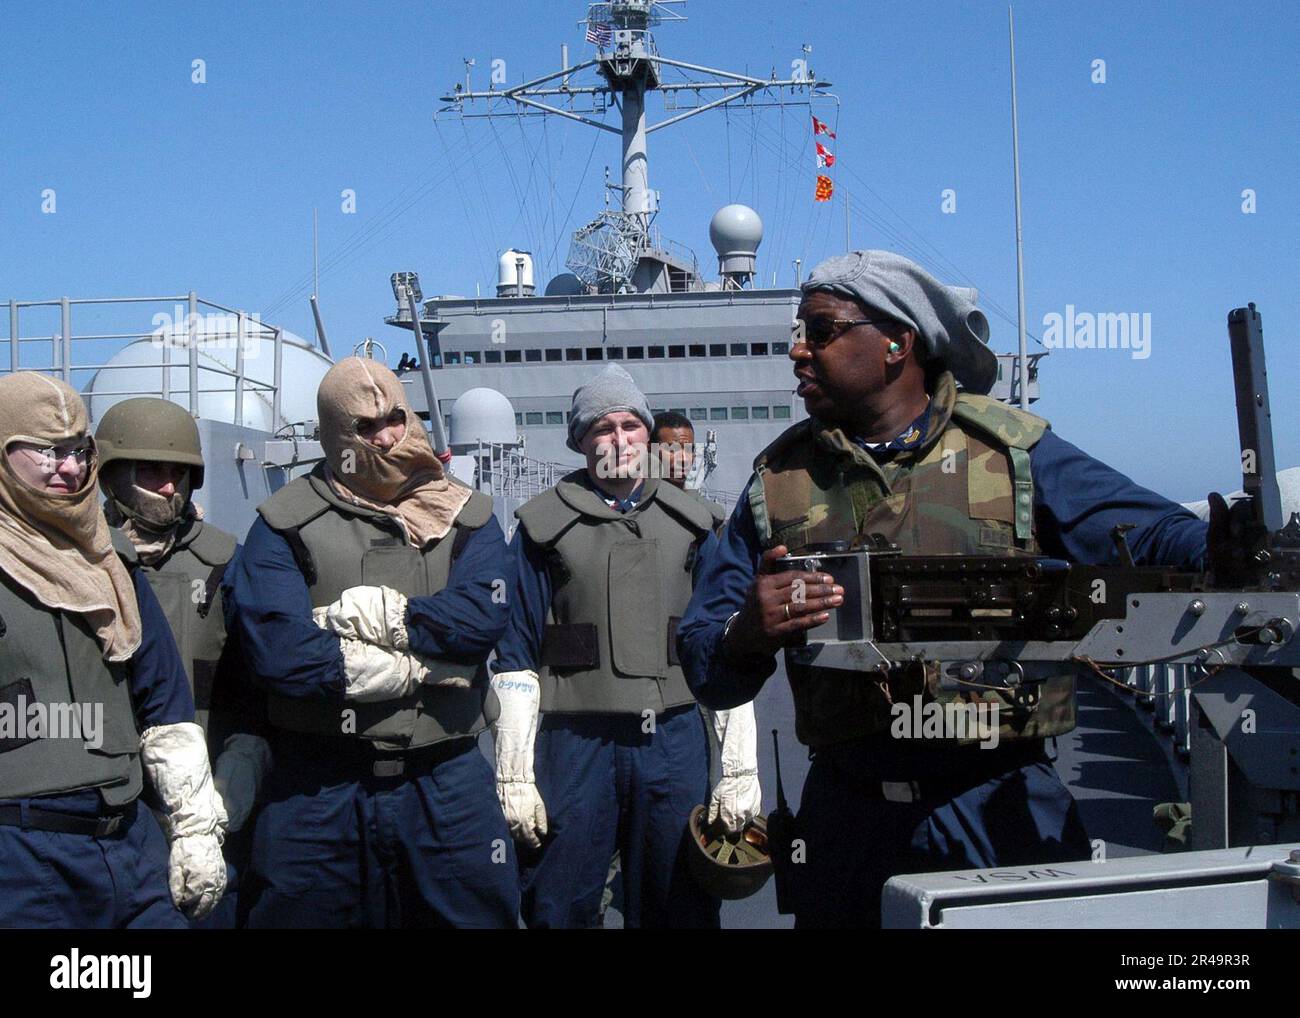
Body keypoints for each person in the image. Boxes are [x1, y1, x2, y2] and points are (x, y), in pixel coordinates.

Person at [677, 250, 1210, 928]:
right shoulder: (776, 482)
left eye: (821, 330)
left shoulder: (1014, 455)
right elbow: (704, 663)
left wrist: (1232, 547)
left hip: (997, 804)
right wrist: (747, 630)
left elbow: (1155, 534)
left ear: (899, 342)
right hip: (847, 819)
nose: (797, 351)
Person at [225, 356, 518, 928]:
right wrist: (425, 668)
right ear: (336, 435)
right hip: (318, 785)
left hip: (446, 778)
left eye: (396, 418)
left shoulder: (465, 514)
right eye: (366, 427)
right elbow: (283, 656)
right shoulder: (283, 523)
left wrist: (384, 616)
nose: (387, 437)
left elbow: (484, 615)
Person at [492, 364, 760, 929]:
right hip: (572, 743)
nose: (619, 439)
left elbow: (727, 649)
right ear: (581, 441)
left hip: (674, 740)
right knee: (557, 902)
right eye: (603, 428)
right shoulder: (541, 529)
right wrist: (515, 775)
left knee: (678, 900)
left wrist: (736, 771)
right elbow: (515, 656)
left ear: (647, 433)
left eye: (631, 426)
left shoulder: (696, 527)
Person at [0, 372, 226, 927]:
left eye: (80, 451)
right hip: (20, 858)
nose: (71, 467)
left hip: (128, 842)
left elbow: (164, 699)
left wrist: (194, 828)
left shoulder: (111, 562)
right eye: (48, 452)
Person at [96, 396, 271, 927]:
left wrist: (223, 808)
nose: (170, 487)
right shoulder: (73, 564)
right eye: (152, 471)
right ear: (111, 476)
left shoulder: (225, 564)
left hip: (207, 814)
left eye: (180, 473)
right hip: (105, 819)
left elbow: (256, 706)